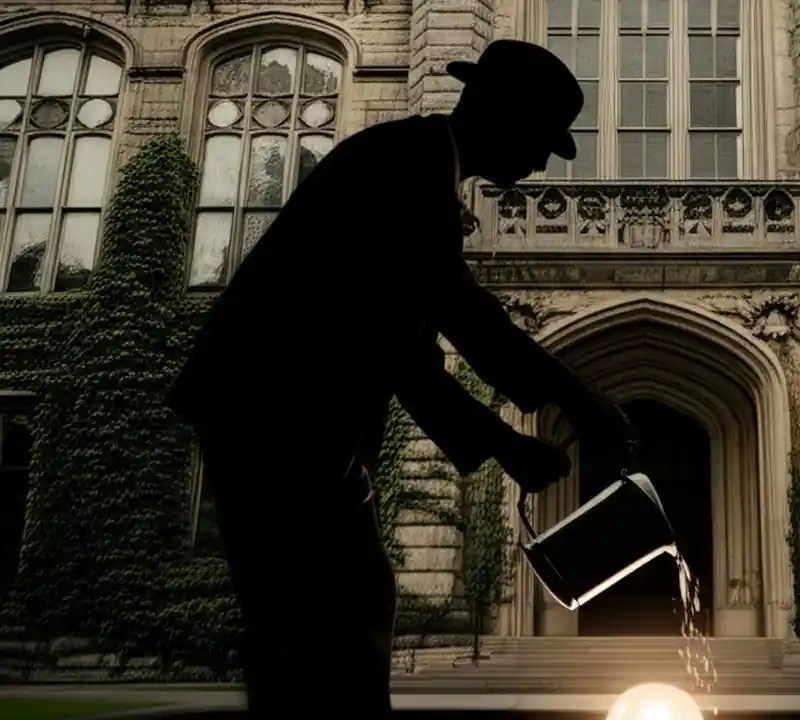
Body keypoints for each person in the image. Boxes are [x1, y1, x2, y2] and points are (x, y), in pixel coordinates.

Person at [167, 40, 637, 718]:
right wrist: (578, 397)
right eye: (541, 141)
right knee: (319, 611)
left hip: (294, 417)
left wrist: (506, 444)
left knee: (338, 605)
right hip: (275, 414)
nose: (541, 164)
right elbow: (460, 310)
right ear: (503, 114)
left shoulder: (418, 166)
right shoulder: (407, 166)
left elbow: (407, 353)